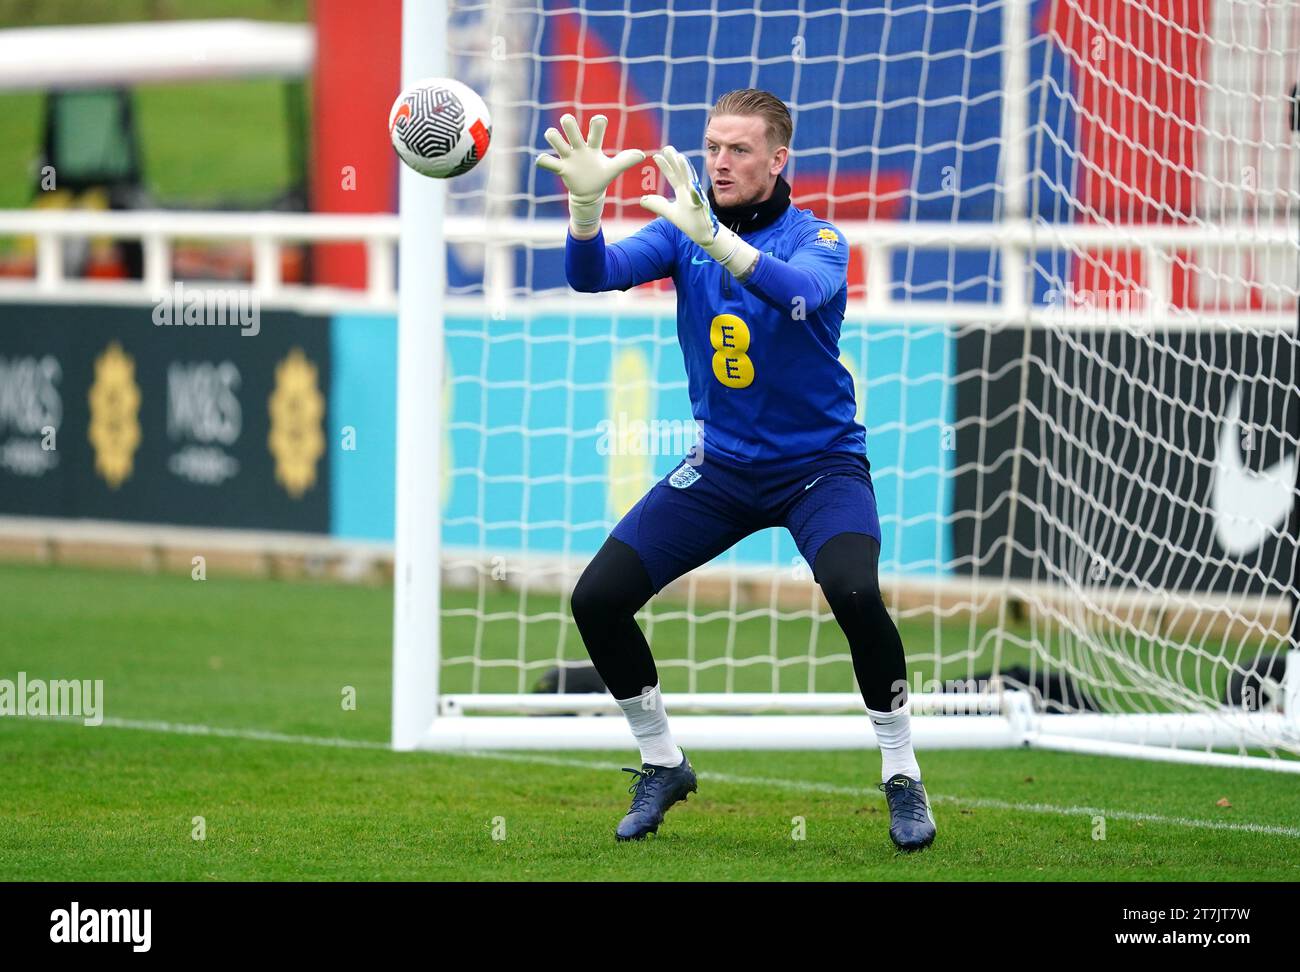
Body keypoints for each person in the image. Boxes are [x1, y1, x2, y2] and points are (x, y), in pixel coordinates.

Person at [535, 89, 936, 851]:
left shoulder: (817, 238)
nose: (720, 161)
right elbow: (595, 275)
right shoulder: (684, 227)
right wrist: (585, 212)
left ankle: (901, 773)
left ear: (778, 159)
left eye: (740, 149)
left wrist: (715, 240)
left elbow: (796, 296)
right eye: (713, 145)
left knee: (854, 590)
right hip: (721, 468)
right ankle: (662, 761)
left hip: (819, 469)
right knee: (597, 599)